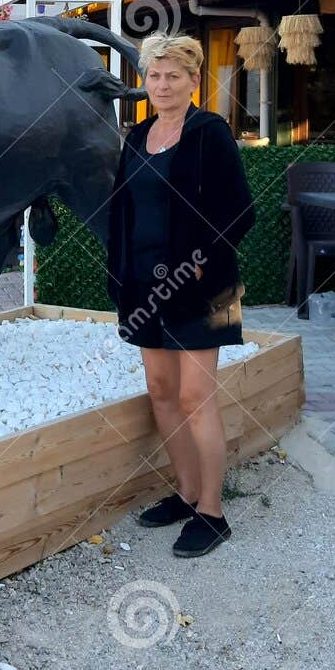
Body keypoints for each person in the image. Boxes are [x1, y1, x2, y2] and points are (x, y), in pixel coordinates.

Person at [106, 33, 256, 558]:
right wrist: (120, 275)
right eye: (154, 76)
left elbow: (238, 212)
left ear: (194, 81)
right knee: (161, 392)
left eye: (173, 76)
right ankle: (187, 494)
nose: (163, 85)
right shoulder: (136, 137)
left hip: (199, 285)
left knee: (196, 397)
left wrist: (199, 264)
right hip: (145, 283)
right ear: (144, 83)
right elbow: (122, 214)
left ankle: (213, 513)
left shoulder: (210, 134)